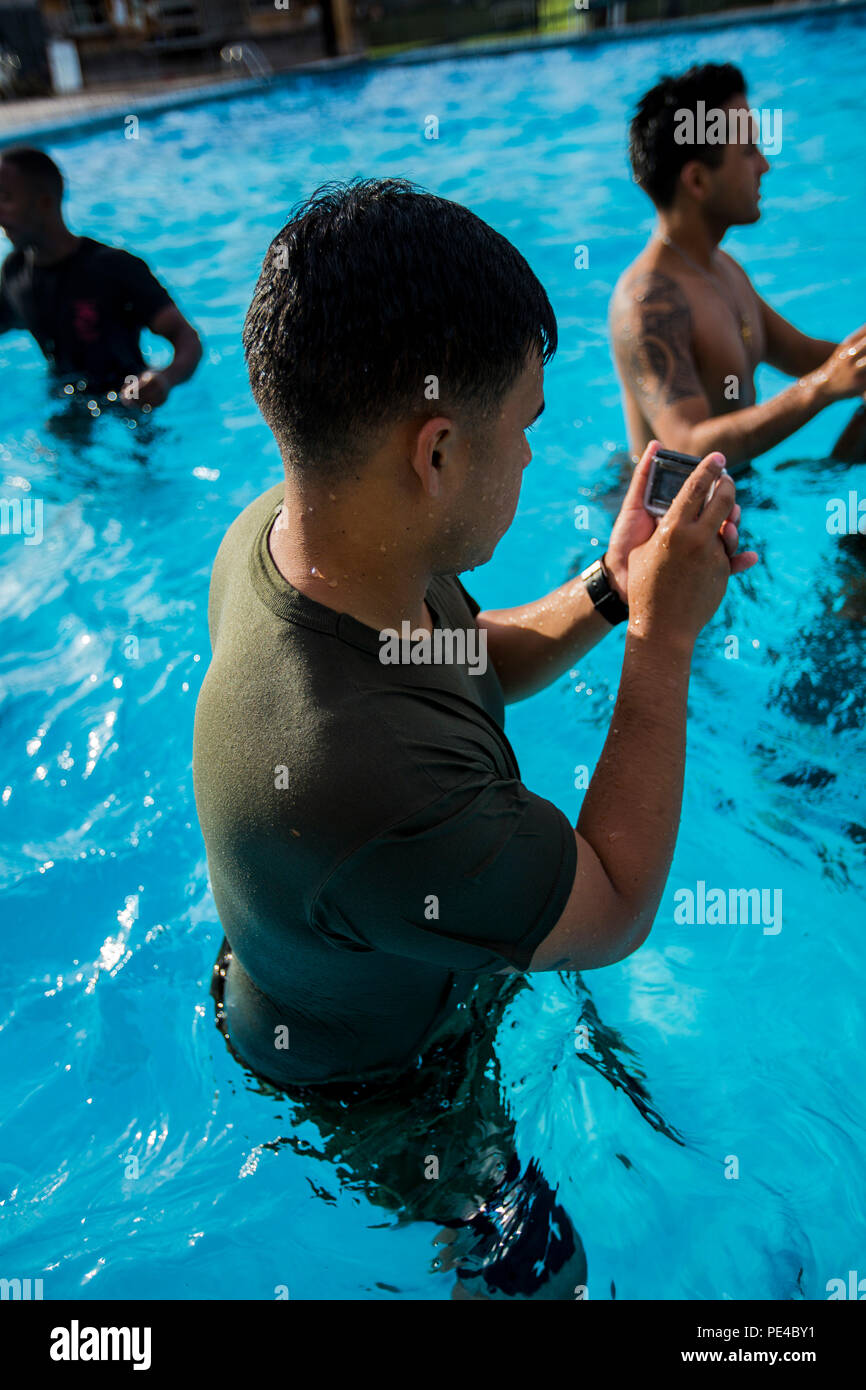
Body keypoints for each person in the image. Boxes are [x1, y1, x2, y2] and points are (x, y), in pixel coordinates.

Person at [193, 177, 757, 1299]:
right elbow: (612, 905)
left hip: (345, 948)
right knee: (544, 1276)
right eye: (526, 429)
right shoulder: (367, 775)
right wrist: (662, 640)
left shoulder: (296, 533)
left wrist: (610, 586)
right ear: (437, 451)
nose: (537, 459)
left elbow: (458, 655)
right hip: (380, 1083)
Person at [609, 64, 866, 473]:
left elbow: (805, 356)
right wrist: (819, 391)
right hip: (670, 524)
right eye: (748, 150)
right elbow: (684, 447)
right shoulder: (649, 301)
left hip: (734, 497)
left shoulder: (722, 269)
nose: (764, 165)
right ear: (697, 181)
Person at [0, 146, 201, 406]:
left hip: (131, 404)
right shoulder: (14, 272)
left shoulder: (114, 268)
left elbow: (186, 338)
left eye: (5, 198)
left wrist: (164, 379)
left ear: (44, 202)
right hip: (67, 404)